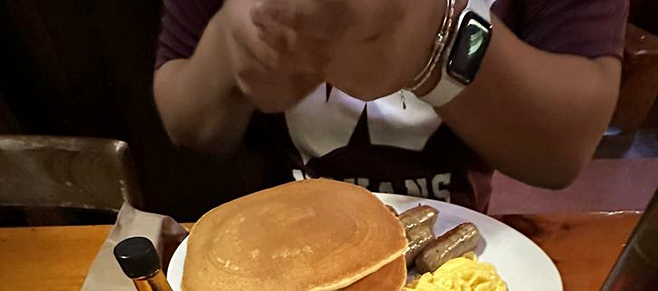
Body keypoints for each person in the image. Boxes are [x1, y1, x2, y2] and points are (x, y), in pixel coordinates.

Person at [153, 0, 628, 211]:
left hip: (458, 236)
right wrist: (230, 45)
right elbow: (187, 125)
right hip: (275, 238)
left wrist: (436, 45)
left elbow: (564, 149)